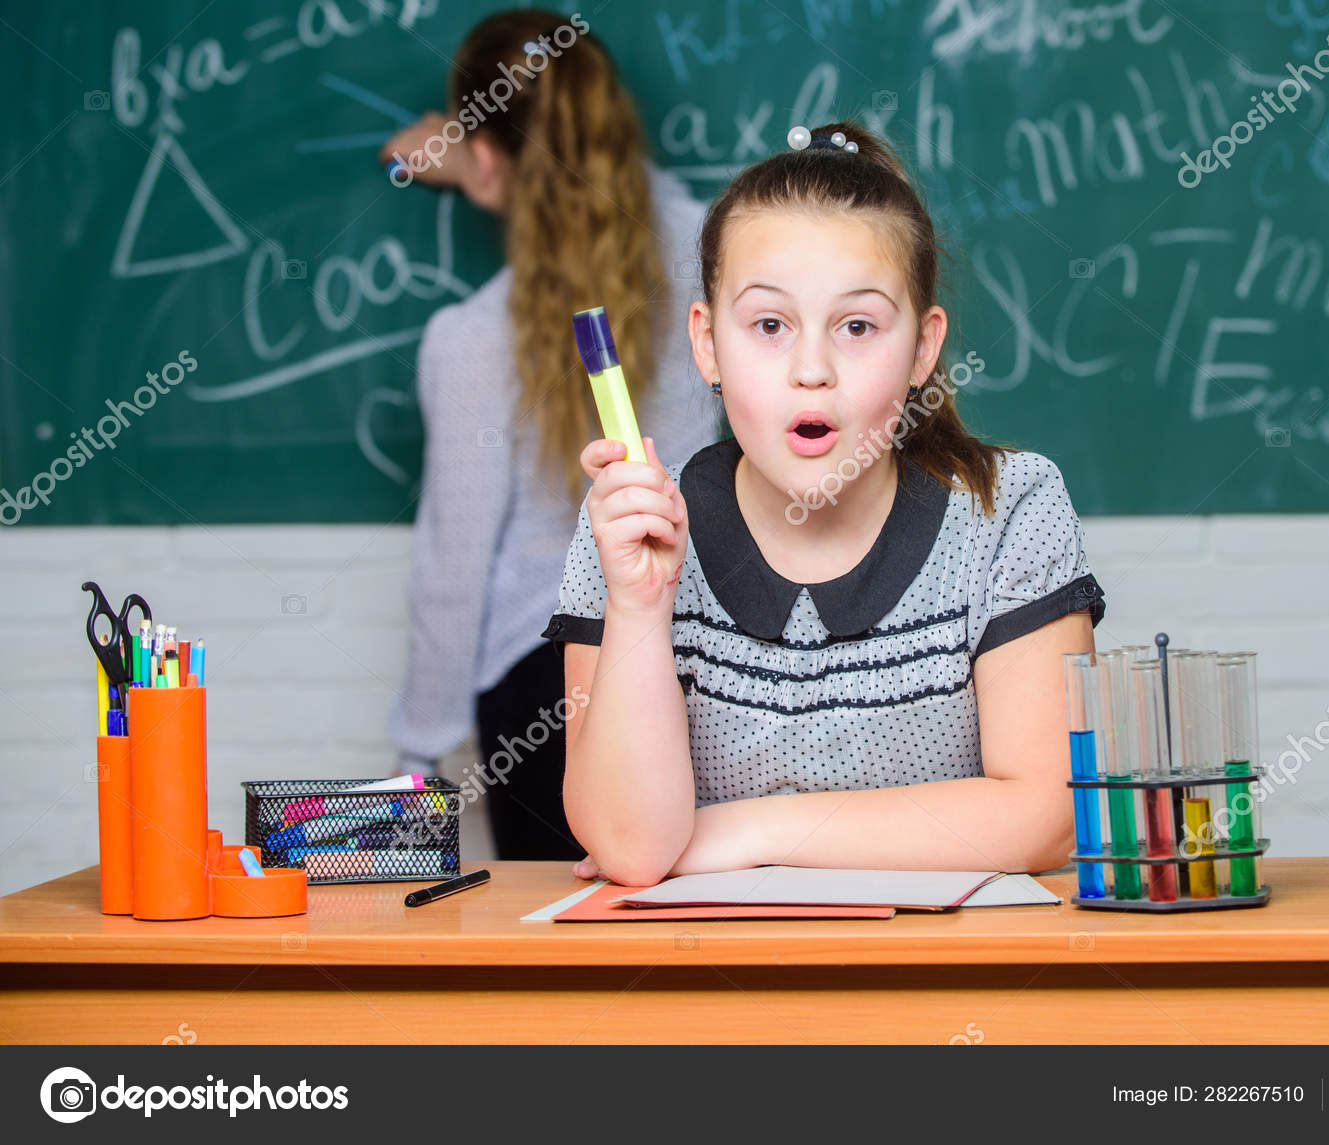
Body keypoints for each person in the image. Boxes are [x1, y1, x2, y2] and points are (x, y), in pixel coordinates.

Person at [542, 122, 1107, 886]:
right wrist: (640, 604)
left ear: (922, 349)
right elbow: (633, 848)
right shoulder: (629, 523)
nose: (813, 369)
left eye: (859, 326)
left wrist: (750, 831)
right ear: (707, 343)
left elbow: (1048, 814)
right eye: (770, 325)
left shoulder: (1009, 509)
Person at [385, 10, 721, 860]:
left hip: (540, 698)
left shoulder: (471, 340)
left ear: (490, 158)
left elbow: (453, 573)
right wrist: (484, 154)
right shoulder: (726, 259)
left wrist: (417, 753)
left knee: (559, 963)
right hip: (704, 658)